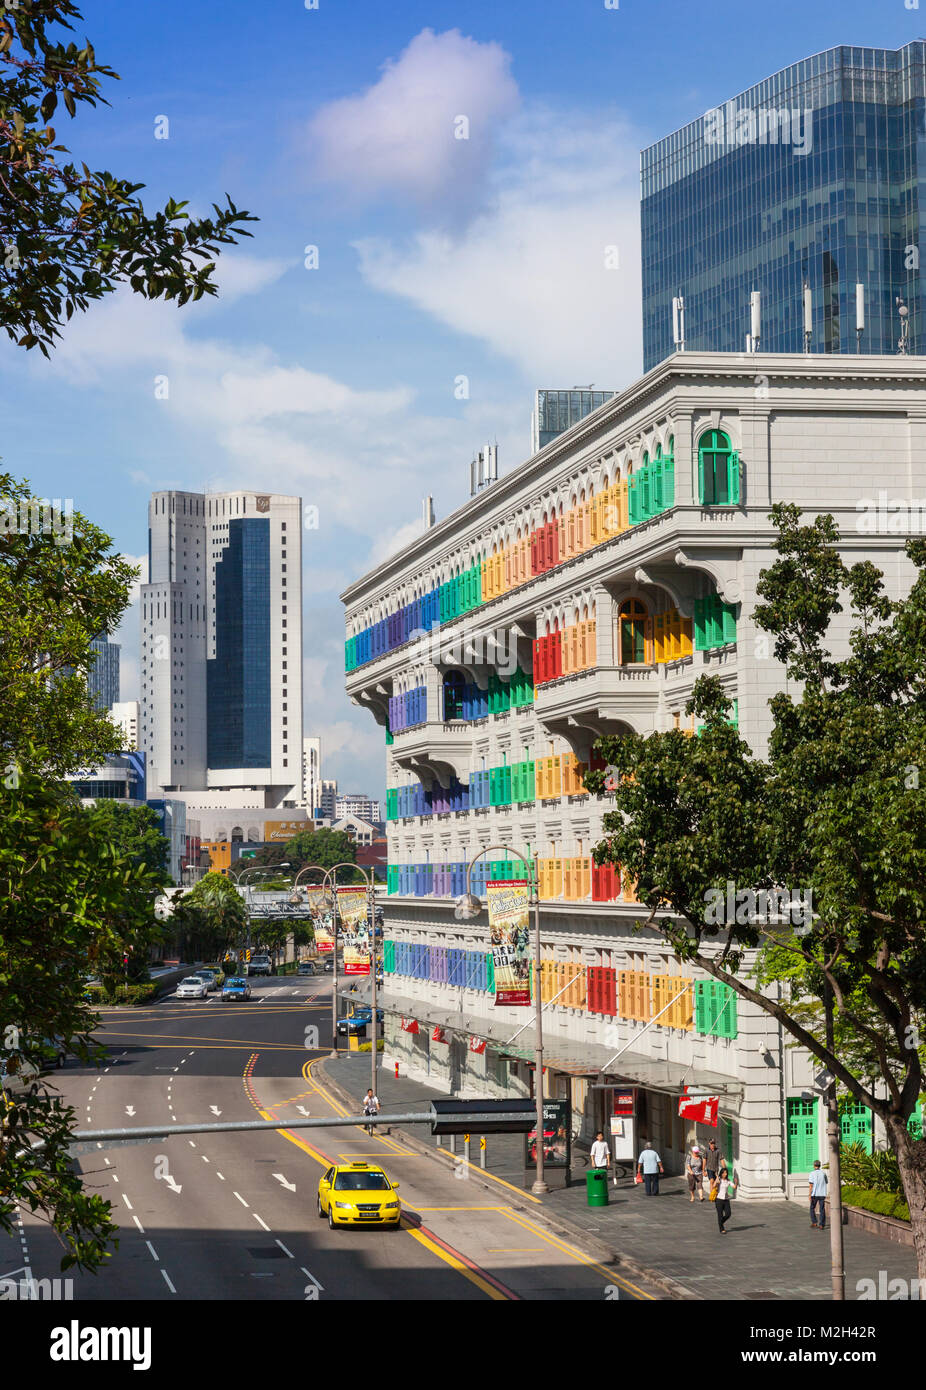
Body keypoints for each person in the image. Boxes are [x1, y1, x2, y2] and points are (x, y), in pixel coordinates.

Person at [713, 1168, 736, 1233]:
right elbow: (714, 1186)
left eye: (726, 1173)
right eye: (723, 1173)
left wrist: (736, 1182)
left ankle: (720, 1222)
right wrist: (717, 1178)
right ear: (721, 1173)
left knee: (728, 1214)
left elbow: (734, 1187)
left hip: (726, 1200)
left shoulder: (728, 1180)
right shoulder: (719, 1179)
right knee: (720, 1215)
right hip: (719, 1200)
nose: (725, 1174)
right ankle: (721, 1229)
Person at [809, 1159, 828, 1229]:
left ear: (814, 1166)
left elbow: (811, 1185)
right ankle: (821, 1224)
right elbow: (826, 1182)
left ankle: (814, 1222)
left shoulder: (812, 1173)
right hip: (822, 1193)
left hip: (815, 1193)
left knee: (812, 1208)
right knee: (822, 1209)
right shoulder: (823, 1173)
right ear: (819, 1166)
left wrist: (809, 1194)